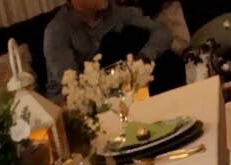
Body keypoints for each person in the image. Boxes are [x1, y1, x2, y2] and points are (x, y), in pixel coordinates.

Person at [44, 0, 172, 98]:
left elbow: (163, 31)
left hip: (118, 90)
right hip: (73, 109)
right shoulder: (57, 30)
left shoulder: (115, 13)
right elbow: (72, 86)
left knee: (170, 61)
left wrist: (143, 58)